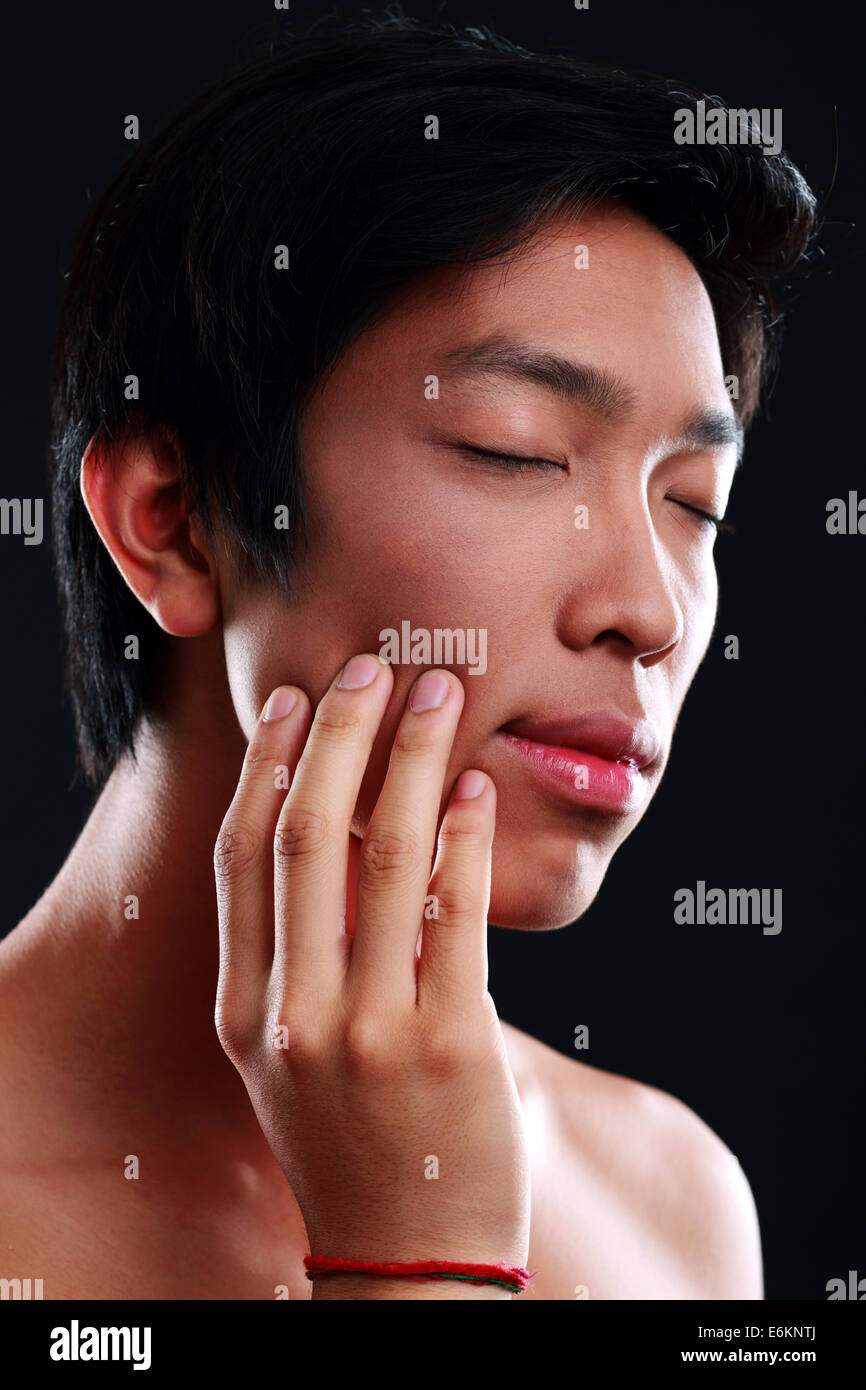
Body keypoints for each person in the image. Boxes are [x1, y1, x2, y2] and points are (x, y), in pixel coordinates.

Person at [0, 9, 817, 1299]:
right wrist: (416, 1262)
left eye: (696, 503)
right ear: (173, 522)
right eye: (516, 450)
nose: (653, 611)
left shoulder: (673, 1210)